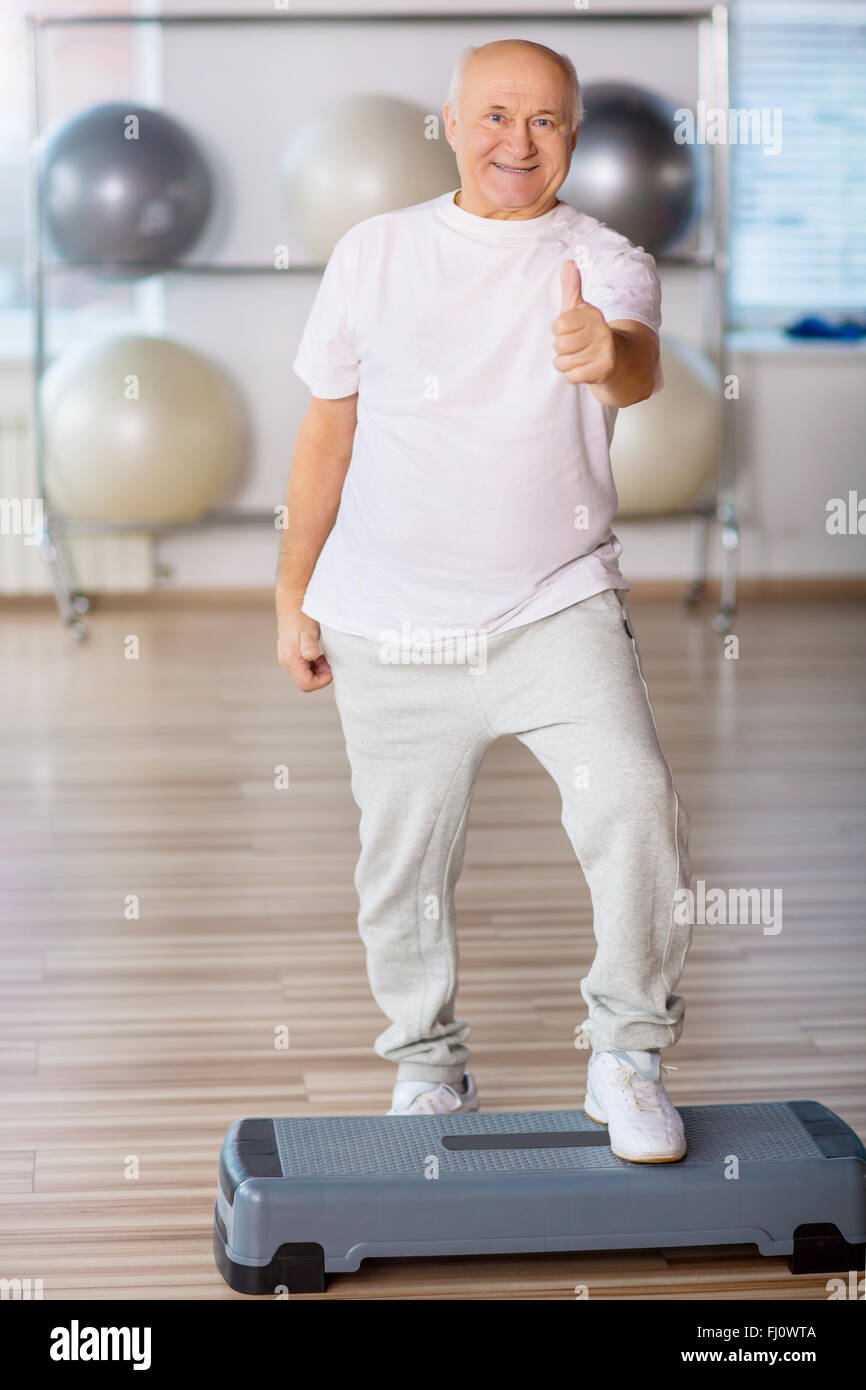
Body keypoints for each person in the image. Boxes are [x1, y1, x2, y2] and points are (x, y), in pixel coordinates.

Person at [276, 39, 693, 1163]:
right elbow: (327, 429)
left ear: (572, 137)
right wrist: (292, 593)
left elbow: (638, 366)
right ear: (452, 125)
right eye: (496, 116)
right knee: (400, 866)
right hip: (387, 617)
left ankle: (627, 1054)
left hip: (555, 606)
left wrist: (600, 348)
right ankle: (427, 1070)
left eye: (547, 121)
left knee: (634, 806)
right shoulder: (374, 252)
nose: (519, 141)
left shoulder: (601, 260)